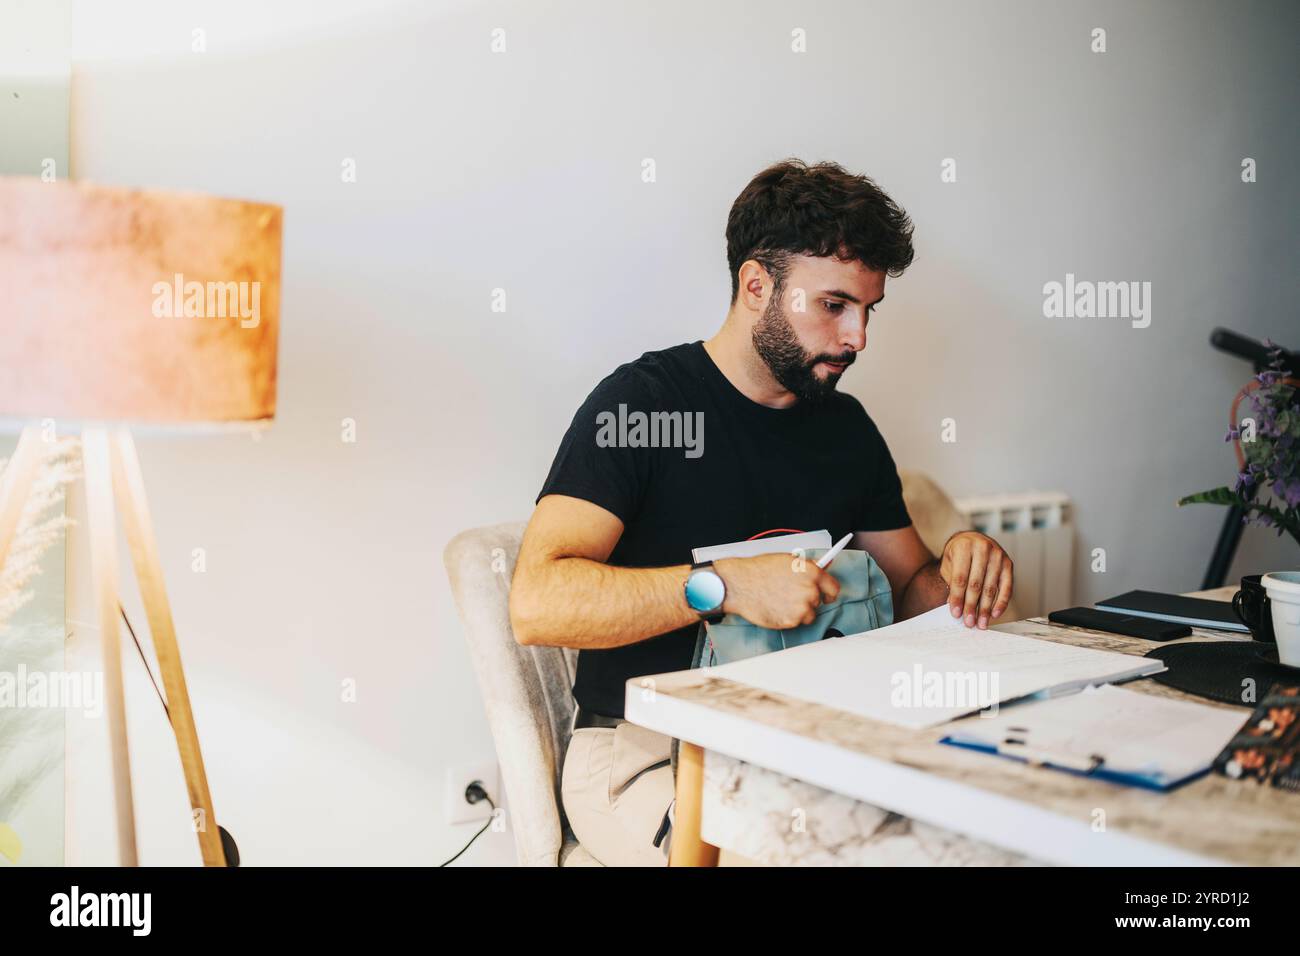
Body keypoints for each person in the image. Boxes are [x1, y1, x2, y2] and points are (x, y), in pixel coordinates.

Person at [509, 159, 1014, 866]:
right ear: (756, 285)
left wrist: (962, 564)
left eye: (868, 310)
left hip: (819, 743)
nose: (858, 337)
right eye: (835, 305)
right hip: (647, 758)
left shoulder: (846, 428)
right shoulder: (644, 406)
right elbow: (537, 602)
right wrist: (725, 584)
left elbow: (914, 593)